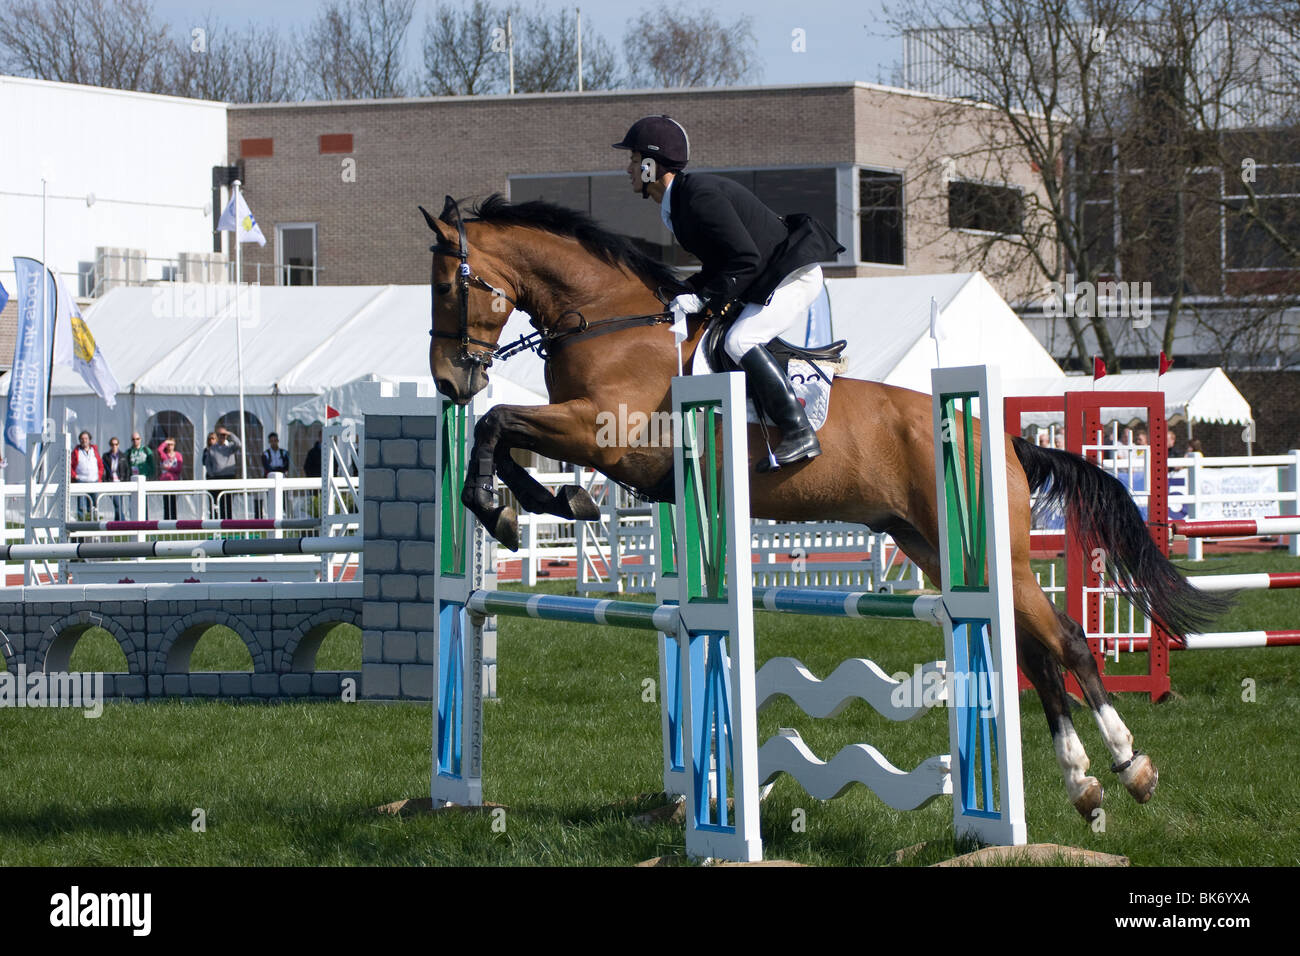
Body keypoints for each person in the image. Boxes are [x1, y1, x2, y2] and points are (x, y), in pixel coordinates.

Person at [613, 115, 844, 470]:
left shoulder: (697, 197)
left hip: (792, 276)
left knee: (739, 341)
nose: (628, 168)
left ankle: (798, 431)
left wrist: (704, 297)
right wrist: (686, 290)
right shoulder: (677, 205)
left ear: (650, 165)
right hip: (765, 277)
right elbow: (722, 264)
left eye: (632, 160)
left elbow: (745, 259)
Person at [206, 426, 242, 519]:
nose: (222, 437)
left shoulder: (230, 447)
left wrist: (230, 434)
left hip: (229, 477)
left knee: (228, 502)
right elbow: (208, 463)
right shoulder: (212, 448)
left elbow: (239, 444)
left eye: (224, 435)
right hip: (216, 478)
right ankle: (216, 522)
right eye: (220, 435)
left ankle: (228, 523)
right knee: (216, 502)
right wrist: (211, 474)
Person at [70, 430, 103, 520]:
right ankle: (81, 524)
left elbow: (100, 464)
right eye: (82, 439)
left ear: (89, 440)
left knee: (94, 504)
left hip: (93, 480)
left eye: (86, 438)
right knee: (81, 505)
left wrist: (99, 476)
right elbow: (70, 465)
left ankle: (93, 522)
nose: (84, 440)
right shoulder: (76, 452)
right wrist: (75, 476)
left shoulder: (94, 451)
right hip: (81, 480)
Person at [125, 432, 156, 520]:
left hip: (144, 479)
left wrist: (150, 476)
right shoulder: (129, 452)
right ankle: (134, 521)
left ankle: (145, 521)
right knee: (133, 502)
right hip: (133, 480)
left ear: (140, 439)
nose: (135, 441)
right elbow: (125, 465)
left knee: (144, 503)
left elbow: (152, 464)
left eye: (137, 439)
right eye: (133, 439)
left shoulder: (146, 450)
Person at [260, 431, 290, 519]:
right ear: (269, 442)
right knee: (271, 497)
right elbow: (266, 466)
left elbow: (286, 465)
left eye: (275, 440)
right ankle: (271, 514)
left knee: (283, 496)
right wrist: (276, 470)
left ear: (278, 441)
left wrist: (281, 470)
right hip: (271, 478)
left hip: (282, 477)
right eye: (271, 441)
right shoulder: (266, 453)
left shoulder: (284, 452)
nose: (274, 443)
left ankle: (284, 513)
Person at [102, 437, 129, 521]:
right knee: (117, 504)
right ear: (110, 445)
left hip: (120, 482)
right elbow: (103, 470)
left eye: (116, 444)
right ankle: (123, 524)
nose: (114, 446)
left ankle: (117, 525)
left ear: (118, 445)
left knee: (118, 505)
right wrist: (105, 481)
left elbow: (127, 469)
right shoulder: (106, 456)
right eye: (112, 444)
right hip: (111, 482)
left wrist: (125, 481)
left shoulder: (123, 456)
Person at [157, 437, 183, 520]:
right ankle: (166, 521)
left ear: (174, 445)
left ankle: (174, 520)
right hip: (165, 481)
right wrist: (165, 442)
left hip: (173, 481)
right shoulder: (164, 456)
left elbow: (178, 469)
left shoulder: (178, 455)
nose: (169, 446)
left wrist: (168, 468)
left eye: (171, 444)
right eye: (168, 445)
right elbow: (159, 450)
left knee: (173, 502)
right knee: (166, 502)